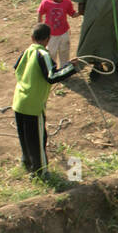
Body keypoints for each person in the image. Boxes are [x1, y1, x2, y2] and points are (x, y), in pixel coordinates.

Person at [12, 23, 80, 174]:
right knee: (37, 140)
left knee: (25, 137)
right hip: (33, 105)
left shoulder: (27, 51)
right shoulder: (44, 54)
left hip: (18, 102)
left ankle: (27, 162)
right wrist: (71, 68)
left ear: (32, 37)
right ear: (48, 39)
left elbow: (16, 68)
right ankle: (41, 172)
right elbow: (52, 76)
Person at [37, 0, 77, 66]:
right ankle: (52, 71)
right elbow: (40, 12)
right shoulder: (46, 2)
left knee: (64, 51)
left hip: (64, 33)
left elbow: (72, 14)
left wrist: (81, 12)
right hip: (51, 35)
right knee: (51, 53)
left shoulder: (67, 3)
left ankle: (64, 70)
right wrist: (39, 27)